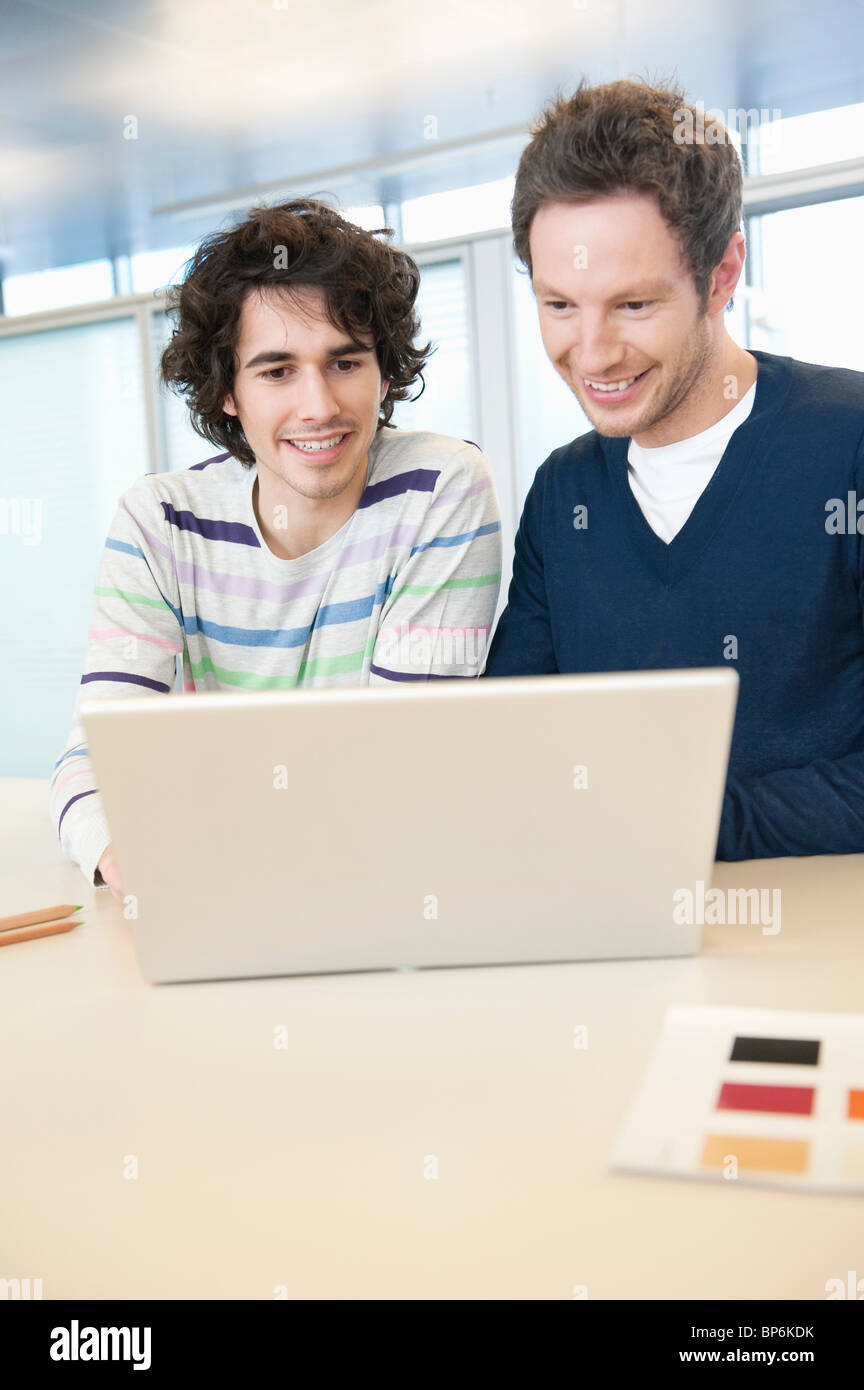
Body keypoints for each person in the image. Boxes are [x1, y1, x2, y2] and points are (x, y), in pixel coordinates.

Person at [51, 199, 502, 893]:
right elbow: (94, 755)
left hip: (390, 888)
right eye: (275, 370)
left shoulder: (439, 489)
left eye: (344, 362)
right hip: (216, 891)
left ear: (383, 374)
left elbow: (400, 765)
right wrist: (122, 854)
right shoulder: (160, 522)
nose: (318, 405)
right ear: (227, 391)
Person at [483, 78, 864, 859]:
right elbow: (507, 748)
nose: (590, 355)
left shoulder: (848, 443)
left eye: (632, 306)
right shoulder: (564, 494)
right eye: (560, 305)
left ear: (723, 274)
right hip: (619, 934)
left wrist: (675, 824)